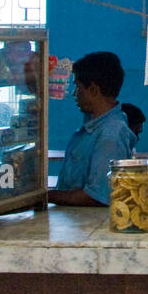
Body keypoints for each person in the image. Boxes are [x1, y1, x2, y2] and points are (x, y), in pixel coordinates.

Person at [48, 52, 134, 207]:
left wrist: (46, 196)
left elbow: (96, 196)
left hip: (91, 225)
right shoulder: (92, 128)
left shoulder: (111, 134)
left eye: (78, 87)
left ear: (94, 90)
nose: (75, 94)